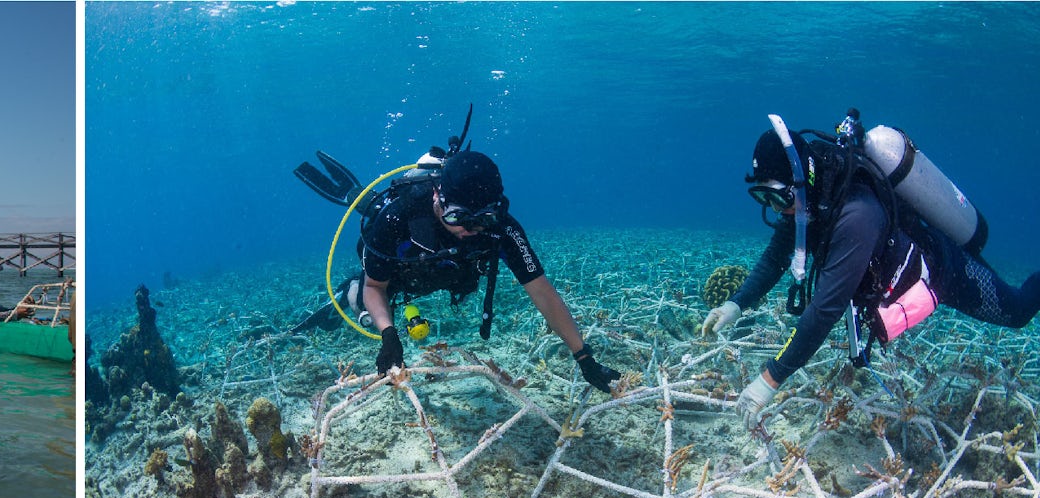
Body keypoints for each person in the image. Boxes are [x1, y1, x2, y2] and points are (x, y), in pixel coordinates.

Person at [702, 111, 1040, 416]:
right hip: (905, 263)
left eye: (779, 197)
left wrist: (770, 379)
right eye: (765, 197)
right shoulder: (806, 198)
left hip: (943, 269)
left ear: (802, 181)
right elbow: (776, 255)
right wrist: (736, 303)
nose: (776, 208)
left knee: (1018, 311)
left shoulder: (856, 216)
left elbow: (825, 309)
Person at [295, 145, 623, 392]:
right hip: (406, 269)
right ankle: (345, 288)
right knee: (361, 293)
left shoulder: (502, 229)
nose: (468, 230)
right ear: (437, 195)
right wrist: (389, 336)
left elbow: (542, 291)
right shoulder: (399, 217)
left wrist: (584, 357)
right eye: (457, 218)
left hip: (450, 272)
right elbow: (375, 288)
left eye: (481, 221)